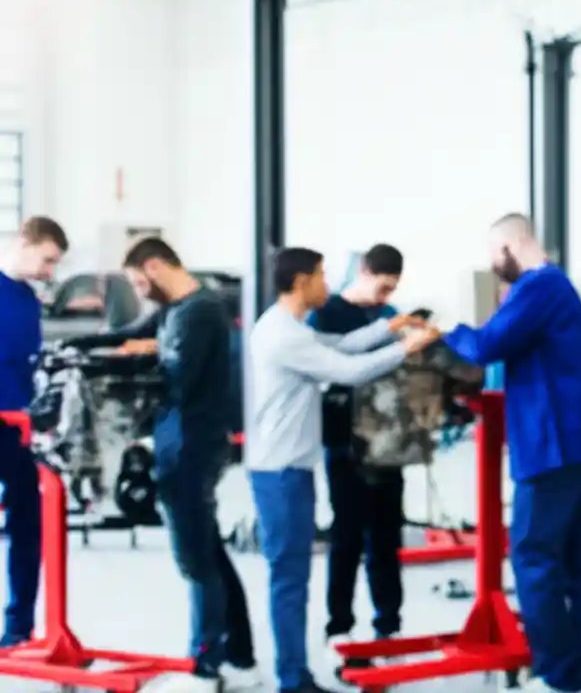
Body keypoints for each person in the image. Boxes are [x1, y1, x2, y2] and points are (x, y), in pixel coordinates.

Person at [64, 238, 259, 692]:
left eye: (137, 281)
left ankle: (204, 664)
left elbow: (176, 375)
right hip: (181, 442)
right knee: (209, 552)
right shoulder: (176, 309)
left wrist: (140, 354)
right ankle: (240, 653)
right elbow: (127, 332)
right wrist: (77, 347)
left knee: (194, 560)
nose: (140, 289)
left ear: (154, 266)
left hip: (193, 447)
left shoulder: (200, 311)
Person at [441, 213, 581, 693]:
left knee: (535, 558)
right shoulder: (556, 287)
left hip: (553, 447)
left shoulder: (537, 286)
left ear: (511, 244)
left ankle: (557, 676)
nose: (492, 264)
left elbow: (486, 345)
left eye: (493, 253)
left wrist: (442, 330)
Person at [246, 247, 437, 693]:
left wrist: (388, 328)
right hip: (281, 473)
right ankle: (292, 679)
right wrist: (405, 347)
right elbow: (347, 370)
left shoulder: (287, 326)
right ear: (300, 283)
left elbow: (340, 345)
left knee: (292, 577)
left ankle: (296, 674)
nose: (326, 284)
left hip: (289, 469)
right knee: (289, 580)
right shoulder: (285, 335)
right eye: (320, 276)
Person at [307, 244, 407, 665]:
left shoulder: (391, 315)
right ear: (364, 271)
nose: (385, 298)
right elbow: (335, 360)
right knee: (347, 535)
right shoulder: (325, 314)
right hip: (343, 442)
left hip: (387, 442)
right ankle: (340, 626)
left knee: (386, 536)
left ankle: (388, 625)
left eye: (392, 290)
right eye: (381, 287)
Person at [0, 217, 67, 649]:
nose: (50, 271)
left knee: (29, 522)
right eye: (47, 260)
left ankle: (17, 628)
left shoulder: (29, 301)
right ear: (24, 243)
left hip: (15, 429)